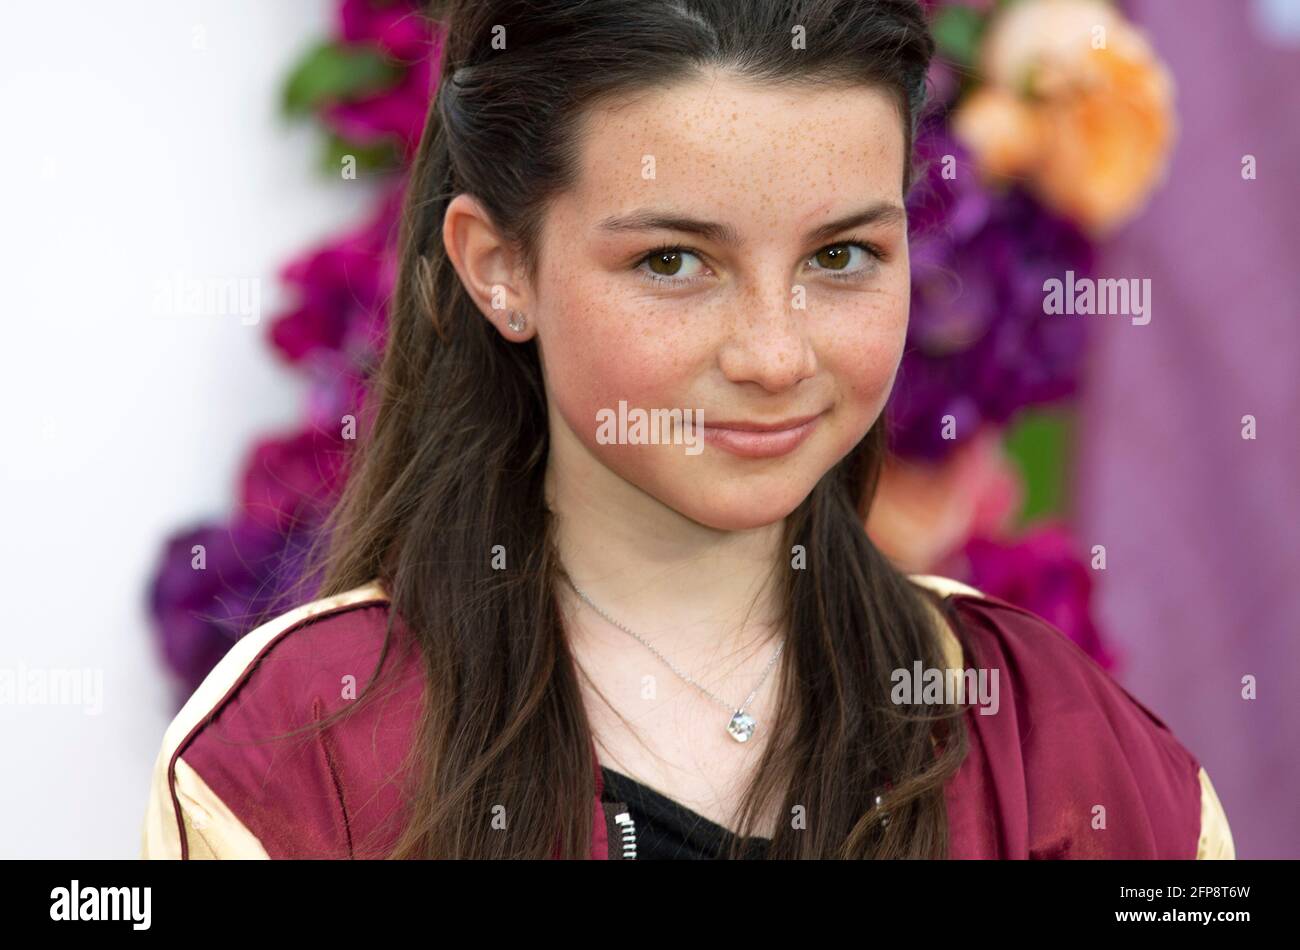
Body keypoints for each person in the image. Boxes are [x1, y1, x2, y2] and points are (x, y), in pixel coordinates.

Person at [141, 0, 1233, 860]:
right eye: (672, 261)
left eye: (840, 256)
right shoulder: (302, 756)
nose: (773, 354)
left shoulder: (1060, 751)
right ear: (497, 267)